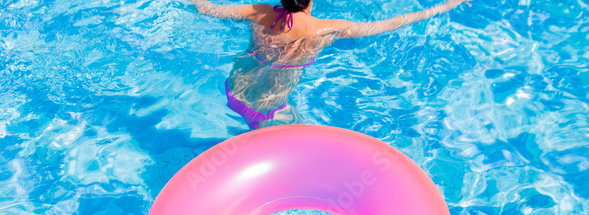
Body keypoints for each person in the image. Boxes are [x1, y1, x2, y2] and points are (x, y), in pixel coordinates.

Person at [190, 0, 467, 129]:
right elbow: (387, 25)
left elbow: (206, 9)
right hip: (268, 109)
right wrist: (440, 8)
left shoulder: (257, 11)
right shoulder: (325, 30)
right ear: (310, 2)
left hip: (233, 91)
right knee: (308, 147)